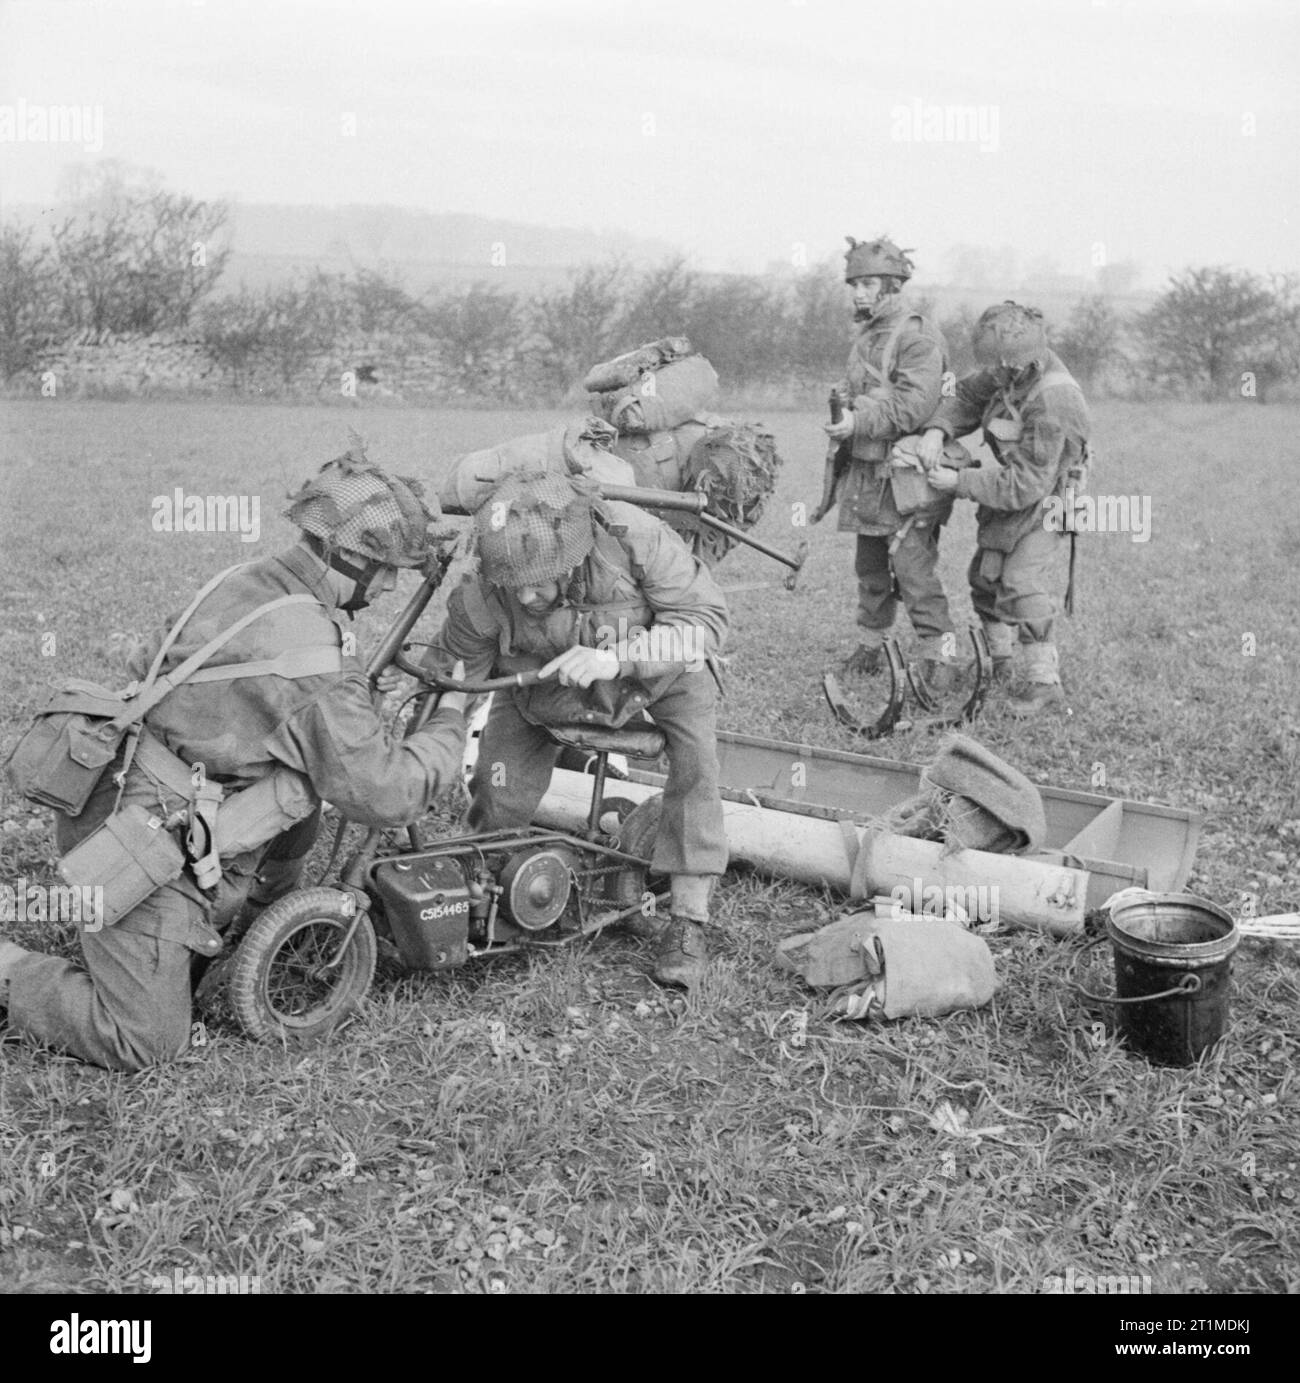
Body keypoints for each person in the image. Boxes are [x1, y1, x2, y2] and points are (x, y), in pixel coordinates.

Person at [0, 449, 470, 1070]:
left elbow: (151, 662)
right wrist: (450, 718)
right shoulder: (317, 668)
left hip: (117, 781)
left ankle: (240, 917)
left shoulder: (247, 579)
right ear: (348, 556)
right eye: (387, 570)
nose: (388, 587)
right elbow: (385, 794)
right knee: (147, 1040)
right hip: (140, 842)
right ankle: (11, 970)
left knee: (300, 781)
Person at [423, 469, 729, 990]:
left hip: (661, 679)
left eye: (540, 581)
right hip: (542, 693)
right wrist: (426, 739)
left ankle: (687, 921)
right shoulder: (484, 588)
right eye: (512, 585)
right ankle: (485, 878)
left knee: (697, 766)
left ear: (574, 556)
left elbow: (705, 626)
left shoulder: (638, 540)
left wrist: (619, 659)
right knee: (498, 782)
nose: (525, 598)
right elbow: (455, 674)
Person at [918, 301, 1091, 716]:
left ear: (1025, 360)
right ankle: (1001, 662)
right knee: (984, 578)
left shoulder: (1054, 400)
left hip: (1048, 496)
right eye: (991, 365)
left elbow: (1028, 484)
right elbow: (962, 395)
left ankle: (1044, 684)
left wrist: (960, 482)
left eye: (1001, 367)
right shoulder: (1004, 369)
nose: (993, 373)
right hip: (1011, 486)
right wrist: (936, 432)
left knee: (1020, 582)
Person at [820, 236, 958, 688]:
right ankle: (871, 646)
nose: (859, 293)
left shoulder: (916, 336)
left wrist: (857, 419)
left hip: (905, 479)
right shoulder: (869, 335)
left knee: (914, 571)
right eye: (854, 284)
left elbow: (912, 408)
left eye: (869, 283)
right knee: (871, 569)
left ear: (894, 284)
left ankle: (942, 660)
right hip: (868, 474)